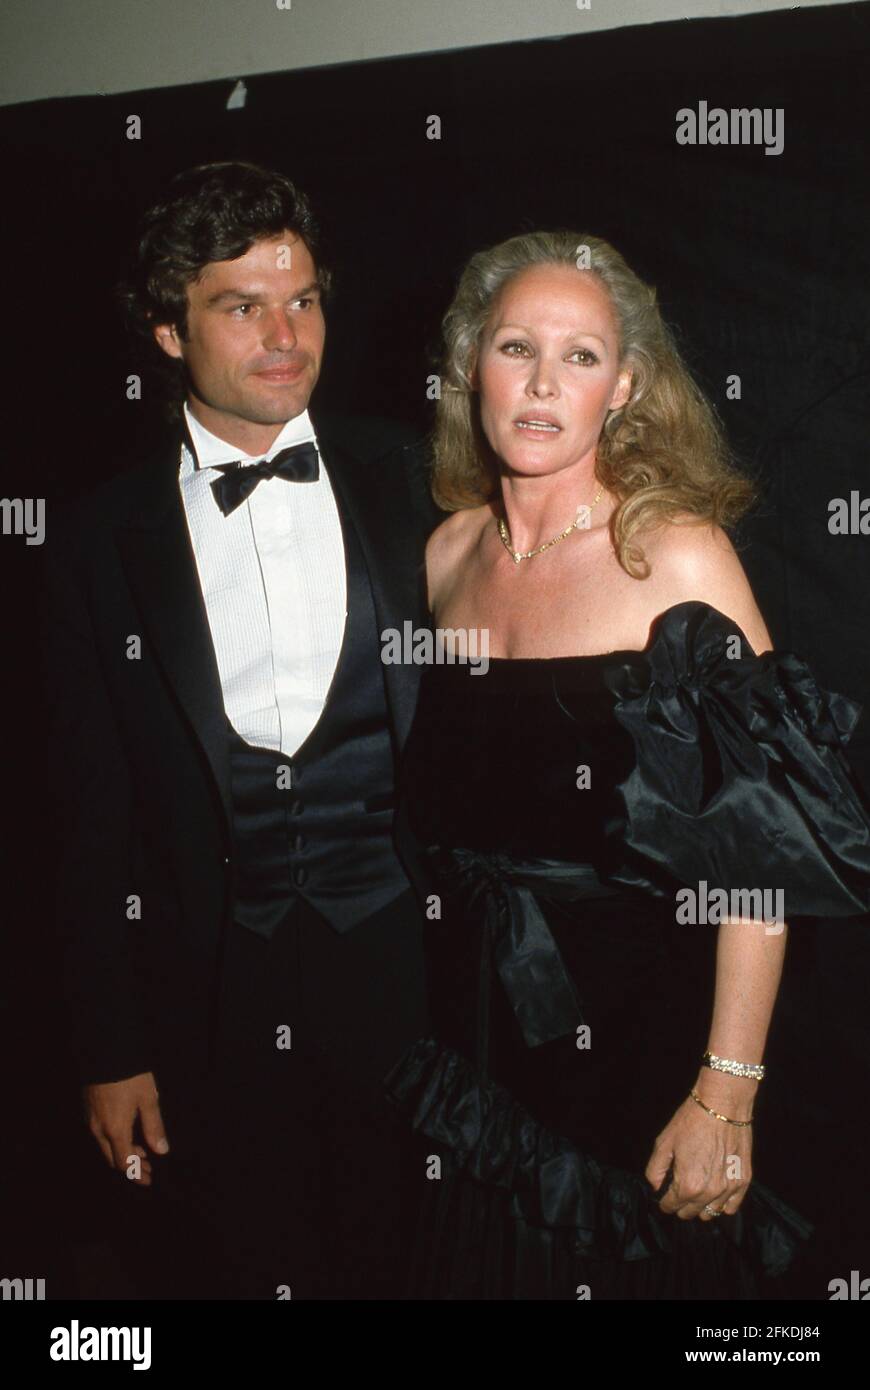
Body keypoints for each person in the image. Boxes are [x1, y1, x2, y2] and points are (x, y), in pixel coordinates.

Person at [385, 229, 870, 1299]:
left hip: (642, 1056)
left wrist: (726, 1093)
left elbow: (766, 860)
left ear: (628, 386)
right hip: (476, 1043)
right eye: (517, 346)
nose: (545, 382)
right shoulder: (446, 552)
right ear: (472, 366)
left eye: (583, 355)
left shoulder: (678, 556)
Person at [40, 161, 440, 1299]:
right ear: (168, 329)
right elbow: (82, 820)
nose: (285, 334)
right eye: (241, 305)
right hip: (207, 988)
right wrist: (108, 1047)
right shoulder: (94, 540)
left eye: (303, 298)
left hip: (407, 973)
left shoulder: (418, 481)